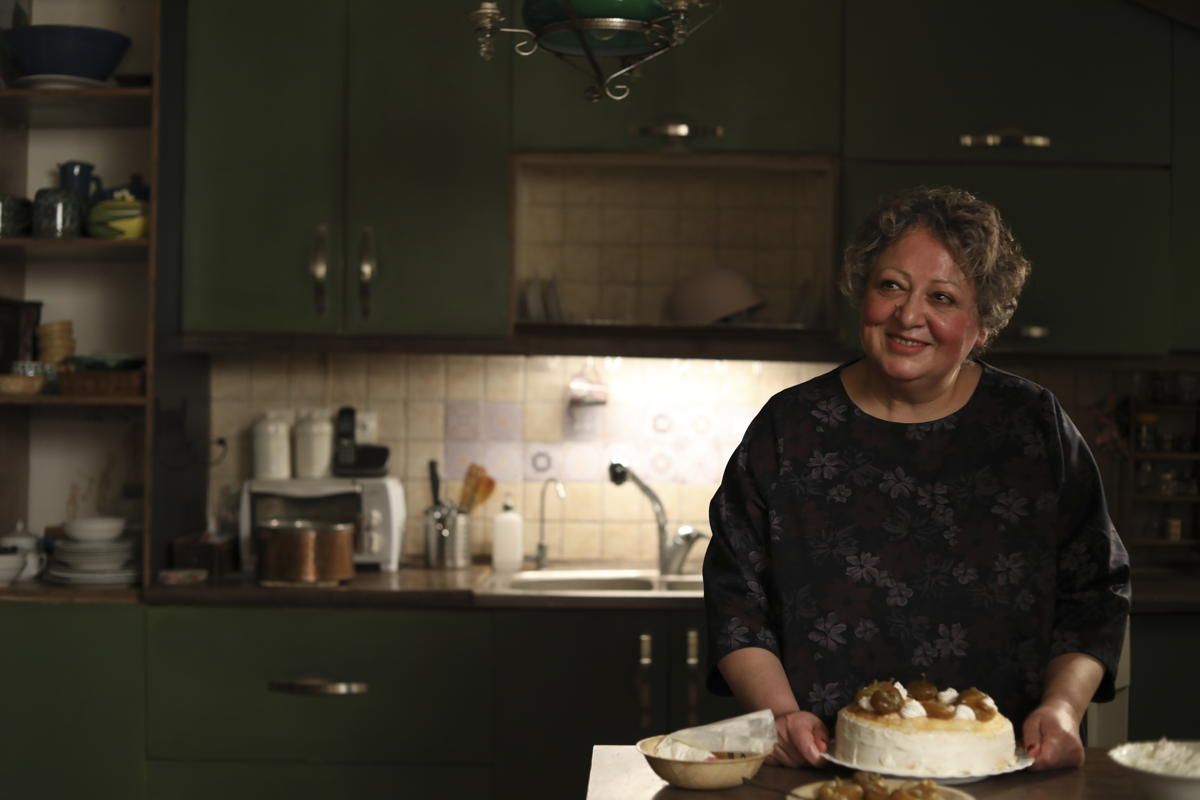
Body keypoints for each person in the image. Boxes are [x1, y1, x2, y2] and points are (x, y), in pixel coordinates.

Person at [703, 186, 1130, 772]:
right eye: (892, 286)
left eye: (944, 297)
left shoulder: (1033, 426)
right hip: (822, 769)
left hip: (999, 773)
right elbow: (736, 598)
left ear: (982, 325)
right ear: (864, 292)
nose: (909, 316)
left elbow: (1096, 591)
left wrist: (1061, 708)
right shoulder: (789, 427)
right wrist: (780, 715)